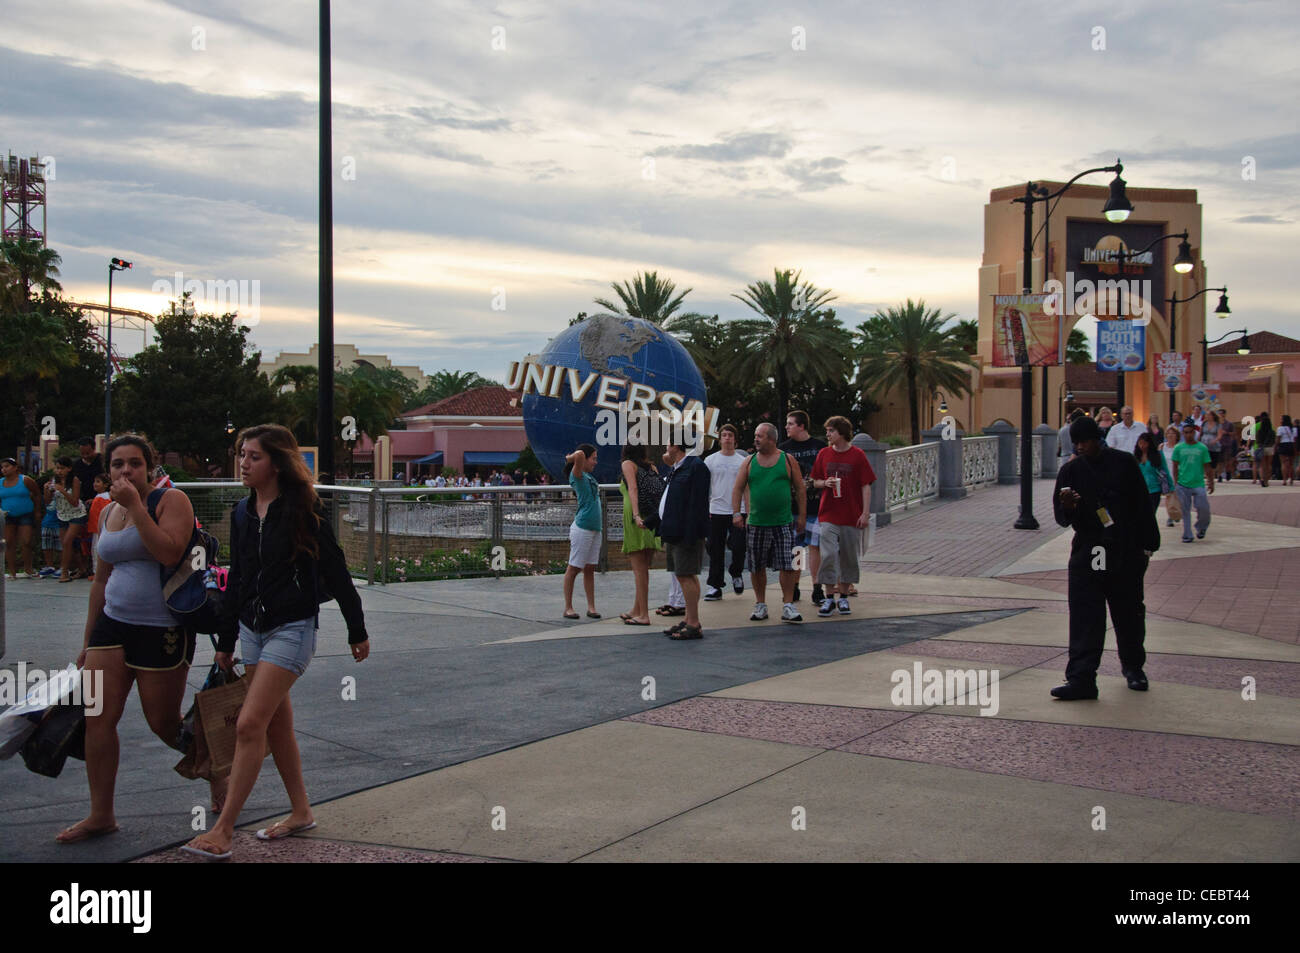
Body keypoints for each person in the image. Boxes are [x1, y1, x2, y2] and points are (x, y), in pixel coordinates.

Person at [179, 424, 369, 859]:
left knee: (249, 725)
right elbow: (238, 580)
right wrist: (225, 641)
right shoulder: (242, 513)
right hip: (251, 632)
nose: (244, 463)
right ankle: (301, 811)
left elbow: (337, 572)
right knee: (278, 725)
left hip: (292, 629)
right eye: (241, 455)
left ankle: (224, 829)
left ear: (277, 463)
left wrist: (356, 628)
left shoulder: (304, 510)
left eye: (254, 457)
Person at [56, 433, 222, 843]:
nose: (125, 470)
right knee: (97, 719)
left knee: (163, 723)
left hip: (161, 628)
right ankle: (101, 814)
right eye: (117, 464)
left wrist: (136, 505)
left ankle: (218, 765)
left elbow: (168, 552)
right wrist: (88, 638)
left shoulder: (171, 501)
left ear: (149, 467)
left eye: (134, 463)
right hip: (112, 627)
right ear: (107, 470)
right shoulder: (108, 509)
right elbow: (102, 577)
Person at [1051, 415, 1160, 700]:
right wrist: (1068, 507)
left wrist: (1148, 546)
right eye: (1076, 442)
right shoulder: (1071, 471)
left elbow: (1142, 506)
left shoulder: (1124, 463)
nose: (1080, 446)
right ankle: (1081, 678)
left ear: (1097, 439)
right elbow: (1062, 518)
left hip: (1124, 551)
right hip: (1089, 551)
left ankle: (1134, 668)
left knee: (1129, 614)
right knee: (1086, 616)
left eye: (1085, 441)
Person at [732, 421, 806, 623]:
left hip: (783, 522)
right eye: (756, 435)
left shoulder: (787, 460)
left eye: (760, 436)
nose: (755, 439)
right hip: (756, 523)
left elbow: (800, 489)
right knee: (756, 566)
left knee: (788, 565)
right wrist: (736, 514)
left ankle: (788, 605)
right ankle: (760, 604)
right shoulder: (749, 461)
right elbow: (738, 488)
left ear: (772, 439)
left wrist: (802, 516)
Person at [810, 416, 875, 616]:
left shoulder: (857, 455)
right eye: (827, 431)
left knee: (848, 557)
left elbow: (866, 485)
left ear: (842, 433)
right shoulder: (824, 454)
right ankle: (829, 597)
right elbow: (814, 480)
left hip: (851, 514)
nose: (828, 434)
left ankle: (844, 597)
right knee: (828, 555)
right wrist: (824, 483)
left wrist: (864, 513)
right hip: (828, 513)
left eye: (831, 431)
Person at [657, 441, 711, 640]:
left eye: (668, 446)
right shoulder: (677, 468)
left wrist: (691, 533)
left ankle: (694, 623)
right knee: (684, 575)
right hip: (673, 530)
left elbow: (698, 502)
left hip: (684, 532)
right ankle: (689, 618)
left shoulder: (695, 467)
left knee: (686, 575)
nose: (666, 450)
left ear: (675, 446)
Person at [779, 410, 826, 603]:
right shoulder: (783, 449)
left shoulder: (819, 447)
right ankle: (795, 586)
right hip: (792, 508)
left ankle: (817, 587)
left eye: (790, 424)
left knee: (816, 547)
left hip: (816, 506)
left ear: (801, 426)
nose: (787, 427)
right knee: (796, 549)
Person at [703, 424, 748, 600]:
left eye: (730, 435)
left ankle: (736, 574)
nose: (727, 438)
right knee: (715, 548)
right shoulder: (710, 460)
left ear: (735, 440)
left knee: (738, 545)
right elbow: (705, 487)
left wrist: (747, 512)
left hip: (739, 510)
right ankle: (715, 585)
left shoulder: (742, 461)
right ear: (720, 439)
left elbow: (747, 488)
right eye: (724, 435)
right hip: (716, 509)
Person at [618, 443, 661, 626]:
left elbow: (632, 488)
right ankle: (637, 609)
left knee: (639, 570)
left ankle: (644, 614)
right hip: (651, 517)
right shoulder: (652, 467)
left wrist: (636, 515)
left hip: (637, 517)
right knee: (644, 569)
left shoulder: (628, 464)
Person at [561, 444, 601, 620]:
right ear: (585, 459)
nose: (596, 462)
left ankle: (591, 607)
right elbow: (578, 454)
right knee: (574, 567)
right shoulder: (576, 475)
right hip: (583, 527)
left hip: (595, 528)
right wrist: (570, 458)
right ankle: (568, 607)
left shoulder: (588, 477)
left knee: (590, 568)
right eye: (593, 458)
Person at [1171, 420, 1214, 542]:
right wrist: (1175, 482)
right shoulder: (1179, 448)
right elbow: (1175, 465)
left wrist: (1211, 482)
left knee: (1203, 508)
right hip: (1182, 483)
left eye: (1190, 432)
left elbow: (1207, 467)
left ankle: (1201, 527)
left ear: (1194, 432)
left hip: (1198, 483)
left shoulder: (1202, 448)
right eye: (1185, 433)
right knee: (1185, 510)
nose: (1188, 435)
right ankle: (1187, 534)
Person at [1, 456, 42, 579]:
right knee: (9, 543)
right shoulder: (0, 483)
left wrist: (38, 511)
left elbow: (37, 494)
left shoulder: (25, 480)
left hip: (25, 514)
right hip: (7, 515)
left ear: (15, 468)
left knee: (26, 541)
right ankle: (12, 571)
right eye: (2, 467)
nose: (4, 469)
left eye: (7, 466)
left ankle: (28, 568)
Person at [50, 457, 89, 582]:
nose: (59, 471)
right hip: (62, 514)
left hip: (76, 514)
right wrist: (47, 491)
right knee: (67, 545)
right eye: (57, 468)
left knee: (67, 541)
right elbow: (47, 501)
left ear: (69, 468)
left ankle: (64, 572)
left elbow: (75, 502)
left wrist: (62, 491)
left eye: (62, 468)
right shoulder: (54, 481)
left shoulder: (74, 480)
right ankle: (82, 569)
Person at [1133, 432, 1170, 513]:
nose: (1142, 446)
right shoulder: (1136, 456)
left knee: (1151, 513)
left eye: (1144, 443)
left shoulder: (1157, 455)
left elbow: (1165, 470)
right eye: (1140, 443)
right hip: (1140, 490)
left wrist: (1170, 488)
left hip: (1154, 490)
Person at [86, 473, 113, 580]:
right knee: (95, 549)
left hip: (100, 528)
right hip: (96, 528)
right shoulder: (100, 497)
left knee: (97, 550)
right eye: (95, 481)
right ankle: (96, 571)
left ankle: (98, 572)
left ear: (105, 485)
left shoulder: (105, 498)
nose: (95, 484)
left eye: (98, 482)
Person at [70, 437, 104, 508]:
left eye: (88, 453)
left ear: (94, 449)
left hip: (100, 501)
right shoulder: (76, 465)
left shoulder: (102, 462)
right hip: (82, 502)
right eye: (82, 453)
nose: (85, 456)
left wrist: (96, 499)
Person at [1160, 425, 1182, 526]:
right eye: (1168, 433)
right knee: (1169, 496)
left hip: (1178, 473)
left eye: (1172, 433)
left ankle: (1177, 512)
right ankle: (1171, 515)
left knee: (1178, 495)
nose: (1170, 435)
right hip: (1166, 474)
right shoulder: (1162, 446)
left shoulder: (1180, 447)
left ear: (1176, 436)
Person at [1252, 411, 1275, 487]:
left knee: (1262, 465)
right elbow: (1273, 440)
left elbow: (1257, 440)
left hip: (1261, 448)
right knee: (1269, 465)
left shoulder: (1259, 430)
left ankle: (1262, 479)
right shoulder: (1271, 430)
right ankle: (1267, 480)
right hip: (1270, 448)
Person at [1201, 411, 1222, 479]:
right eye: (1206, 415)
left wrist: (1215, 441)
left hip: (1214, 446)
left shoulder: (1218, 424)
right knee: (1205, 460)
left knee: (1213, 462)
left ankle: (1212, 476)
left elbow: (1219, 435)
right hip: (1204, 445)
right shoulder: (1204, 424)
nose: (1207, 416)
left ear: (1213, 416)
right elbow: (1200, 433)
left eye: (1209, 415)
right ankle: (1205, 474)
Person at [1277, 414, 1296, 486]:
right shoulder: (1293, 429)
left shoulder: (1280, 428)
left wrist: (1276, 447)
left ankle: (1284, 480)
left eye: (1281, 419)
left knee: (1283, 463)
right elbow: (1295, 439)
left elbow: (1278, 439)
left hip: (1283, 445)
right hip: (1291, 445)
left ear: (1283, 420)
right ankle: (1291, 479)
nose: (1280, 420)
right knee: (1291, 464)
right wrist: (1295, 449)